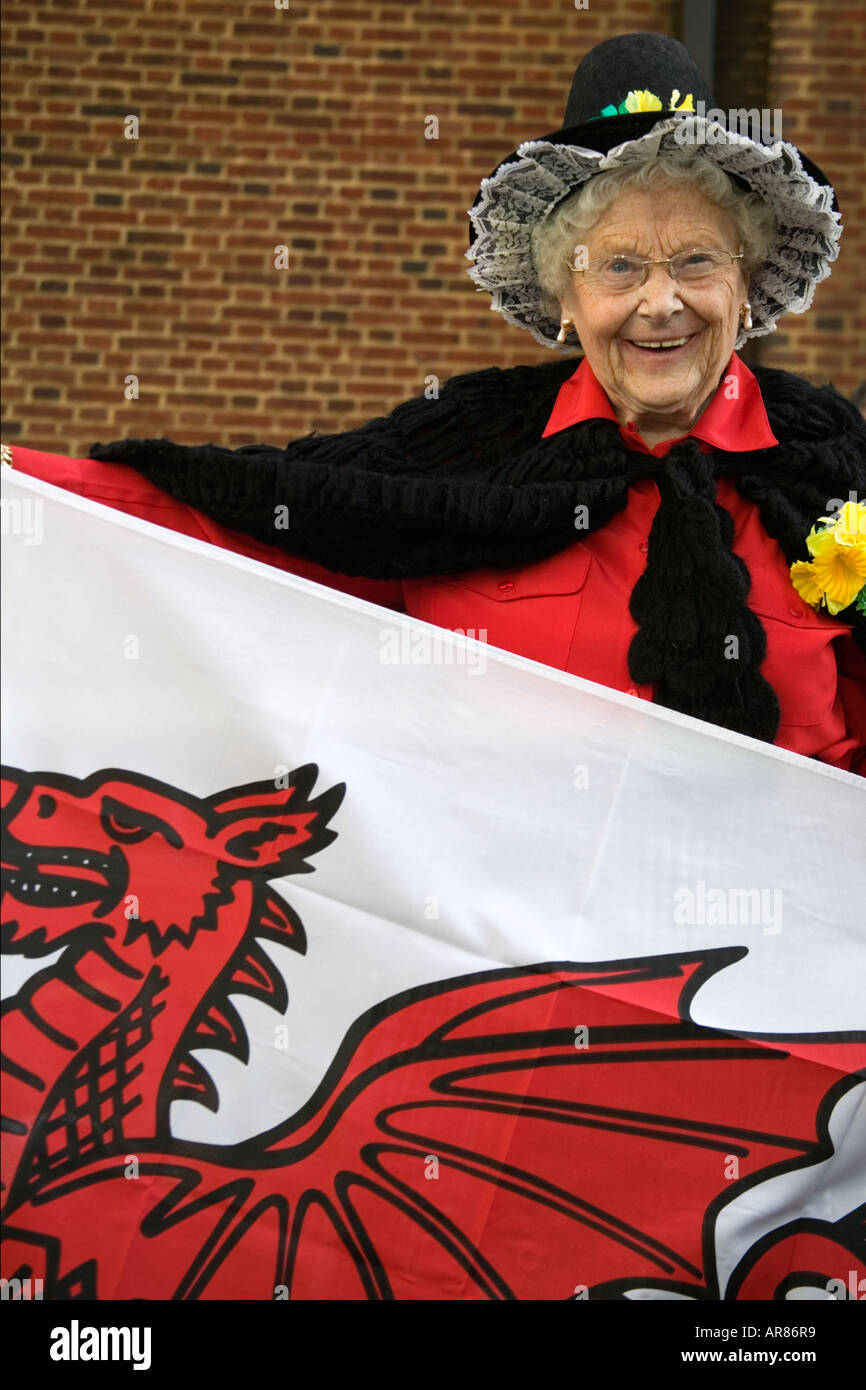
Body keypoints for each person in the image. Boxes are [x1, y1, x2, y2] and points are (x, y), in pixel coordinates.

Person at [5, 32, 865, 773]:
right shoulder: (464, 455)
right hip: (517, 956)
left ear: (745, 284)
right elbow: (246, 531)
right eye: (619, 266)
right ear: (565, 298)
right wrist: (27, 493)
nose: (661, 302)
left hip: (782, 955)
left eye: (695, 261)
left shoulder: (836, 471)